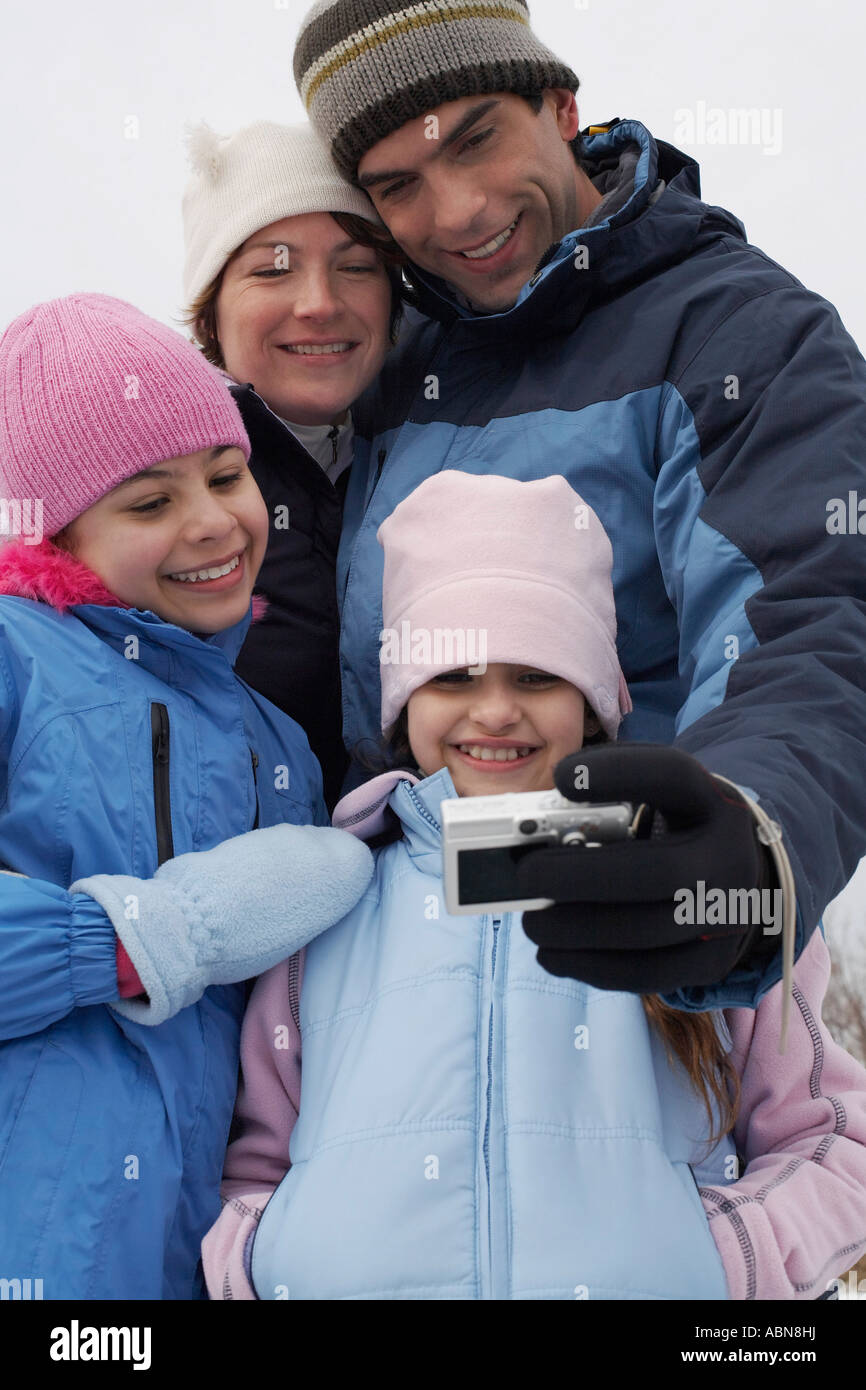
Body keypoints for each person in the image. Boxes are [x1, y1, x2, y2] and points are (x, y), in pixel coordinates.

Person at [291, 0, 866, 1008]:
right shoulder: (379, 368)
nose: (458, 211)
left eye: (477, 139)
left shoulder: (742, 334)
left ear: (558, 108)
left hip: (638, 976)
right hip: (385, 994)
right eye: (397, 189)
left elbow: (816, 612)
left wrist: (745, 841)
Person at [201, 471, 866, 1300]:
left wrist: (722, 1259)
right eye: (452, 677)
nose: (494, 712)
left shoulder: (691, 887)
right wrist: (267, 1261)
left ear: (590, 702)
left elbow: (834, 1142)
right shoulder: (327, 899)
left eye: (536, 675)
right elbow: (253, 1164)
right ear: (403, 702)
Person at [0, 293, 374, 1299]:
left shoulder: (274, 742)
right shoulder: (14, 659)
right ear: (58, 536)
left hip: (196, 1263)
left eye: (225, 475)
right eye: (149, 501)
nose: (213, 522)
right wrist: (141, 937)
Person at [182, 120, 403, 806]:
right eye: (272, 269)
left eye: (357, 266)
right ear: (211, 312)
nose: (319, 303)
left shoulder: (437, 444)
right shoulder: (150, 478)